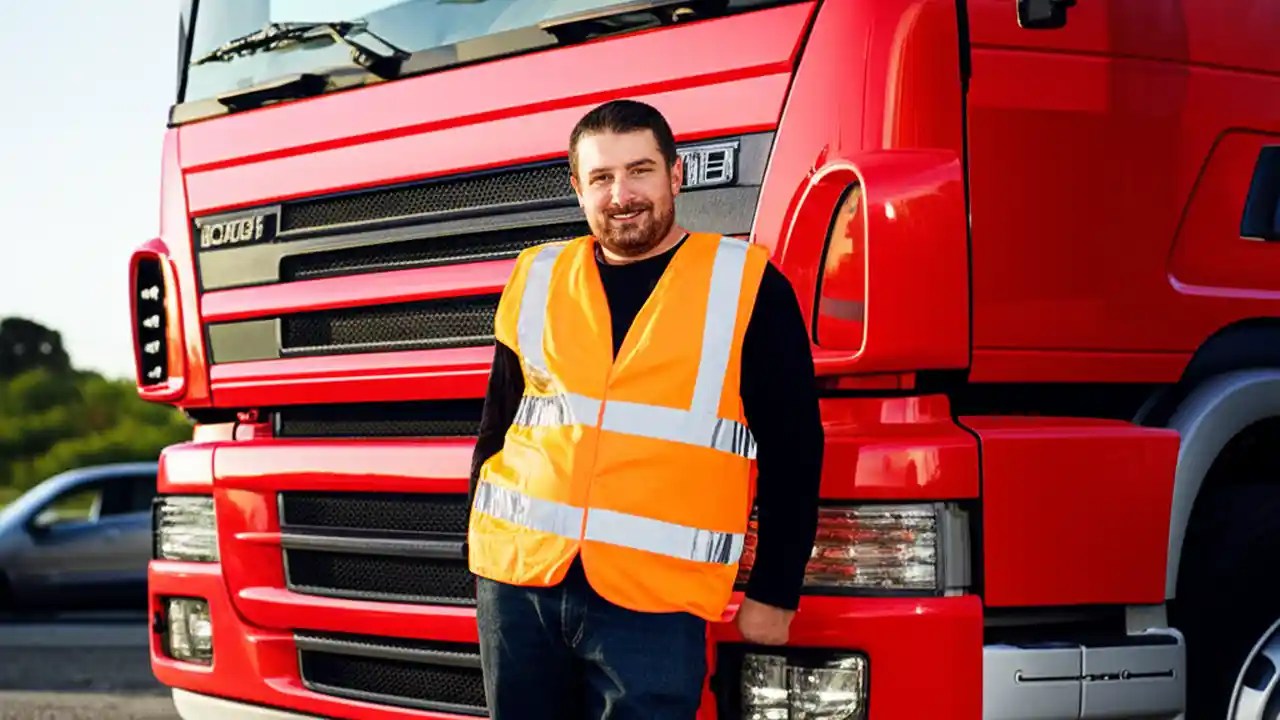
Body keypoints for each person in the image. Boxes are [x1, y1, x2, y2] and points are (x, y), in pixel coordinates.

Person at [467, 99, 823, 720]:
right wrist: (480, 553)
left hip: (654, 606)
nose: (621, 195)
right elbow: (499, 427)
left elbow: (795, 448)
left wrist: (775, 590)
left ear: (676, 174)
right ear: (577, 189)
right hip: (518, 587)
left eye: (640, 171)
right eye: (601, 178)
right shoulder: (537, 275)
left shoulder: (747, 285)